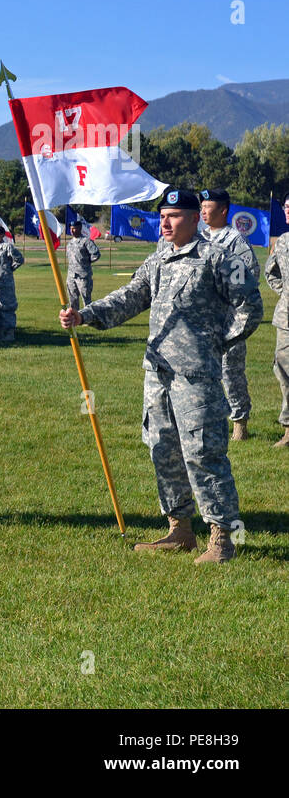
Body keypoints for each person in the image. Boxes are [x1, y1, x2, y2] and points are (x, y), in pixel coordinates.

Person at [59, 188, 261, 563]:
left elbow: (250, 306)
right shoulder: (159, 259)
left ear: (195, 219)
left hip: (195, 375)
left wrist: (218, 342)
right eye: (162, 215)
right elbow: (131, 295)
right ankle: (179, 529)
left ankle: (222, 538)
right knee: (162, 449)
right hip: (158, 373)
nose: (165, 222)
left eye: (175, 215)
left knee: (203, 452)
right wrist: (85, 315)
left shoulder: (217, 259)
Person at [200, 188, 260, 441]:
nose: (203, 210)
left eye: (208, 206)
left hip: (228, 320)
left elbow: (251, 274)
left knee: (230, 371)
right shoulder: (197, 237)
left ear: (223, 210)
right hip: (201, 319)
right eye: (201, 206)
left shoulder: (235, 240)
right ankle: (206, 421)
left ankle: (239, 423)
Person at [267, 197, 289, 449]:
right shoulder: (282, 242)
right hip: (286, 320)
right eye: (286, 207)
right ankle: (288, 429)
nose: (288, 211)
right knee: (284, 373)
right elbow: (270, 271)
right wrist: (285, 293)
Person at [0, 225, 24, 342]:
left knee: (7, 307)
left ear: (2, 235)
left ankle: (9, 333)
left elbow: (19, 259)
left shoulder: (7, 246)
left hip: (5, 282)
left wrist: (10, 269)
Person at [64, 220, 101, 310]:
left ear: (80, 228)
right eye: (71, 229)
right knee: (72, 299)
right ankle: (74, 318)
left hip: (83, 276)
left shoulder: (86, 241)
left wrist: (86, 262)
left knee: (86, 299)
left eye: (74, 229)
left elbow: (96, 254)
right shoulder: (70, 243)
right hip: (71, 276)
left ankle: (87, 318)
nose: (72, 231)